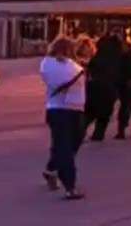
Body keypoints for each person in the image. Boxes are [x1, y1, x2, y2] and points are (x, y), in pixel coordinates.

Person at [40, 36, 87, 200]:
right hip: (60, 109)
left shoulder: (72, 65)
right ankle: (70, 186)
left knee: (71, 143)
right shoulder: (51, 64)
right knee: (65, 147)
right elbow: (56, 79)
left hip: (75, 109)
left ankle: (52, 168)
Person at [116, 36, 131, 139]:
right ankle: (122, 126)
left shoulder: (121, 56)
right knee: (125, 104)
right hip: (125, 83)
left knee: (125, 105)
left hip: (123, 83)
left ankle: (122, 127)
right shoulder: (128, 55)